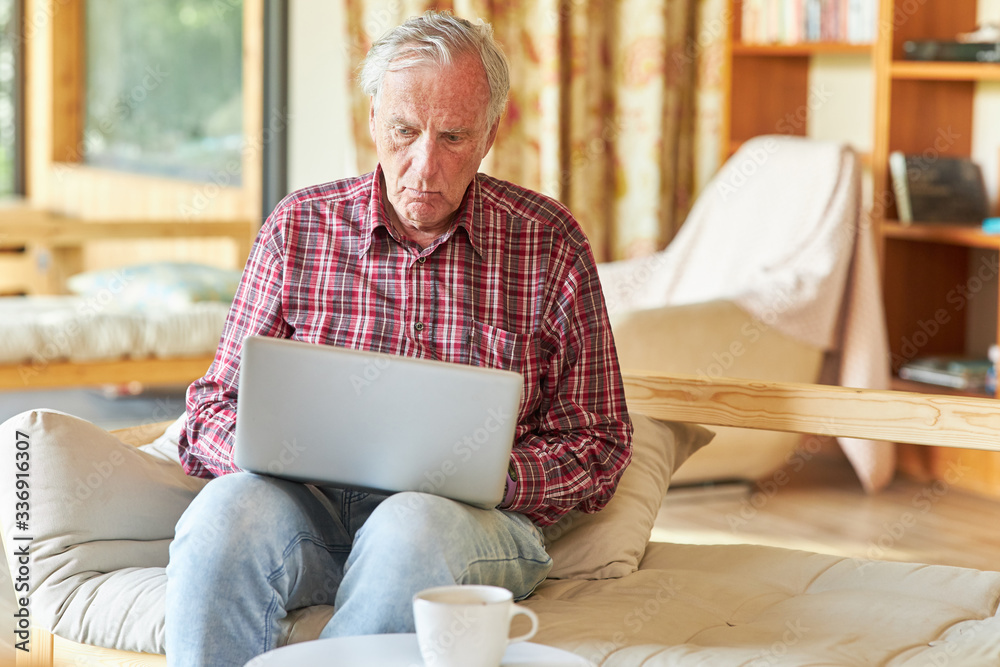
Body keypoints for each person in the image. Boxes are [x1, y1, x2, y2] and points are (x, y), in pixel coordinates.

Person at [165, 10, 632, 667]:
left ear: (491, 134)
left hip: (463, 527)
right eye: (404, 132)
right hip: (312, 514)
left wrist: (491, 473)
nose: (424, 165)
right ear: (373, 117)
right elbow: (210, 408)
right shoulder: (300, 227)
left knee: (409, 526)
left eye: (454, 137)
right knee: (224, 516)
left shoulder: (548, 243)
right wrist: (262, 450)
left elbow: (602, 443)